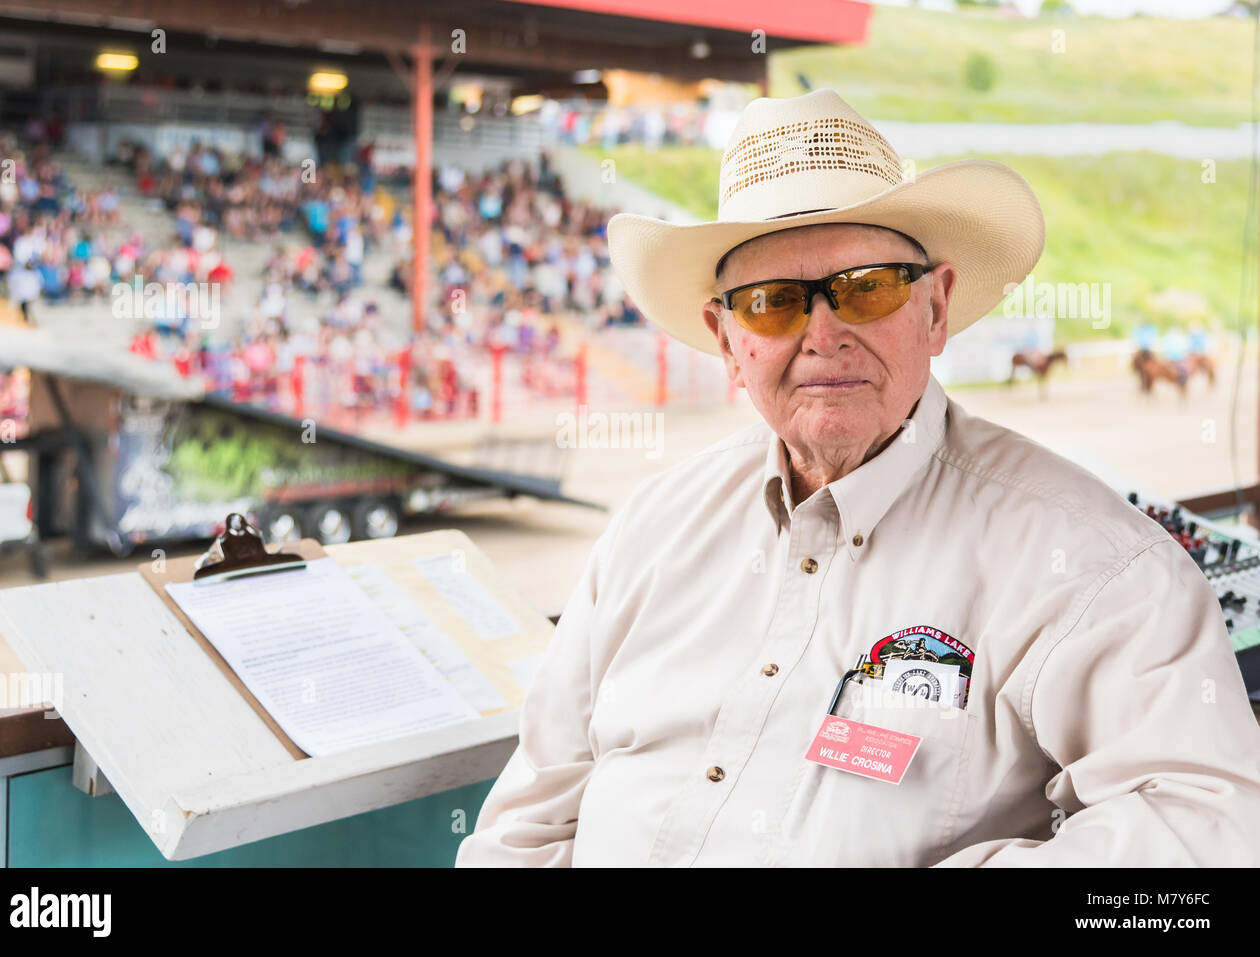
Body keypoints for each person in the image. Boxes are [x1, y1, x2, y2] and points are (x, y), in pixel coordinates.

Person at [455, 89, 1260, 867]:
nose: (824, 333)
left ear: (936, 307)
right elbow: (526, 825)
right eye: (772, 303)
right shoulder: (650, 529)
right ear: (728, 340)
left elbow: (1211, 826)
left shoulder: (1090, 560)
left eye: (866, 288)